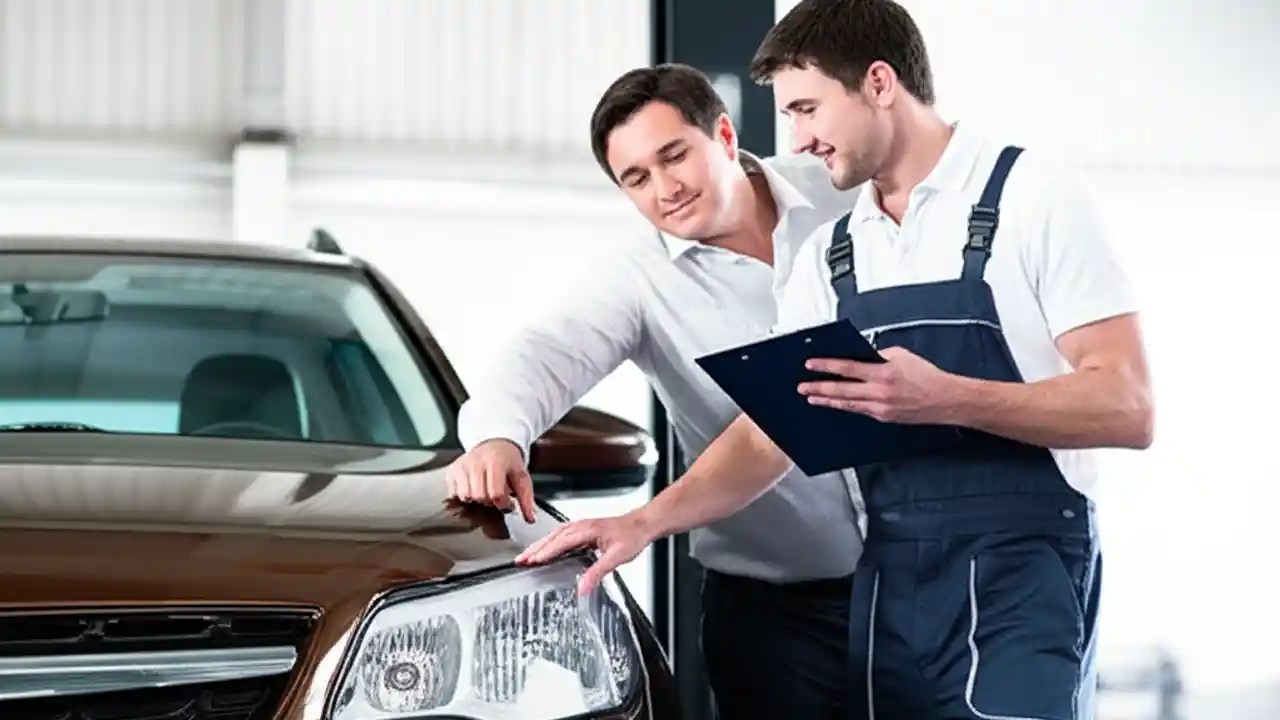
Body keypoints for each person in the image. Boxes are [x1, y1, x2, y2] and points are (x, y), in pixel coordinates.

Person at [516, 2, 1155, 719]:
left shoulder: (1032, 198)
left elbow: (1125, 405)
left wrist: (943, 397)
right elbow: (771, 432)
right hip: (892, 589)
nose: (797, 139)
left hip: (1022, 574)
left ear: (879, 83)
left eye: (806, 108)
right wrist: (643, 524)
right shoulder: (836, 251)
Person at [446, 63, 862, 718]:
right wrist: (499, 435)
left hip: (928, 576)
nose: (664, 189)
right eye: (636, 178)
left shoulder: (842, 191)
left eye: (675, 156)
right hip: (779, 619)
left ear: (723, 136)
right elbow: (544, 351)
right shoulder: (637, 281)